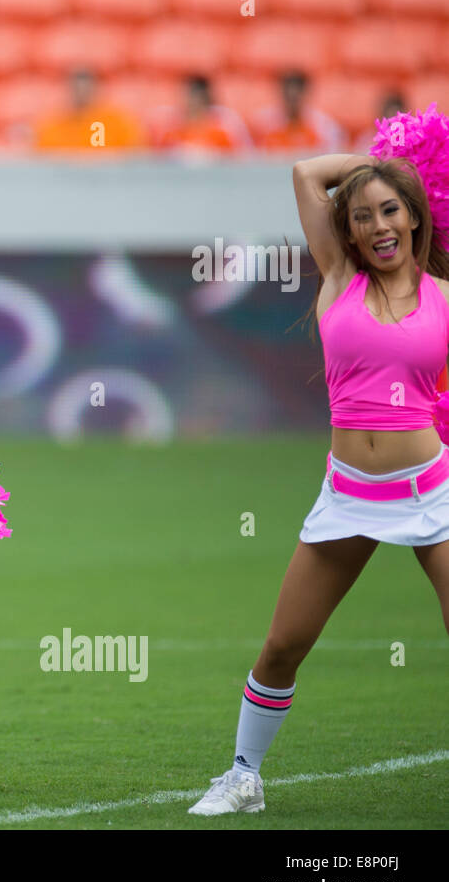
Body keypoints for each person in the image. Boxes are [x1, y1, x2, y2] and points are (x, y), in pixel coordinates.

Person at [189, 152, 449, 814]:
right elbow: (307, 173)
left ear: (415, 217)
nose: (379, 226)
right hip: (348, 495)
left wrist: (397, 173)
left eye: (391, 209)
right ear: (350, 231)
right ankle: (243, 776)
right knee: (283, 645)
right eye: (363, 216)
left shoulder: (445, 297)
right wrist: (393, 155)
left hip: (431, 495)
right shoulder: (339, 276)